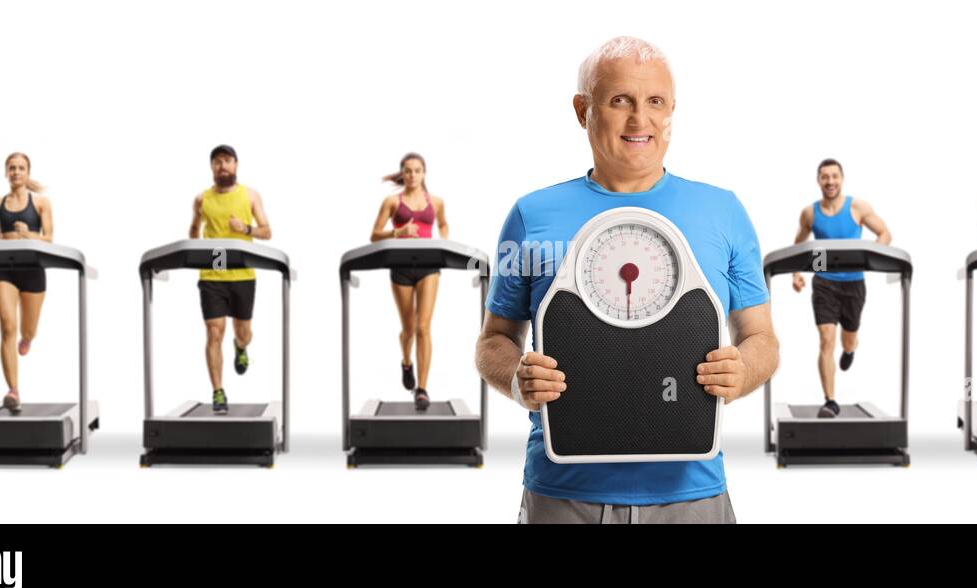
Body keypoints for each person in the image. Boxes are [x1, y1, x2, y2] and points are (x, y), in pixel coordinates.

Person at [475, 36, 779, 524]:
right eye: (620, 100)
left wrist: (742, 371)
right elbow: (493, 340)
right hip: (563, 493)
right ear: (583, 110)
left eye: (655, 102)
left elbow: (761, 338)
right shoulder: (531, 216)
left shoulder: (724, 212)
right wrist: (516, 378)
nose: (640, 119)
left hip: (692, 494)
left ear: (672, 110)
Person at [789, 159, 891, 418]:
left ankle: (850, 349)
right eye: (825, 177)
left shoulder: (858, 207)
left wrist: (872, 258)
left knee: (847, 339)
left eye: (834, 176)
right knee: (825, 340)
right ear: (818, 181)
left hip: (854, 284)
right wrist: (796, 272)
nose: (830, 181)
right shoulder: (810, 213)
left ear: (841, 179)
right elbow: (799, 243)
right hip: (824, 282)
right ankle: (830, 401)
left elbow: (885, 234)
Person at [188, 145, 273, 413]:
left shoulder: (250, 195)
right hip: (214, 268)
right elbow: (193, 230)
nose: (222, 166)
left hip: (243, 271)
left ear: (236, 165)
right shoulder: (202, 199)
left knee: (243, 332)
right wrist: (194, 239)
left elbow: (267, 231)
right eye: (216, 162)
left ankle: (240, 347)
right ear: (211, 168)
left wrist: (246, 228)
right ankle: (218, 391)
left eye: (226, 161)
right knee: (214, 332)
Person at [368, 153, 450, 410]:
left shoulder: (435, 202)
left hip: (429, 266)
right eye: (408, 170)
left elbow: (444, 224)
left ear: (424, 173)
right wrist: (398, 232)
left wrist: (443, 240)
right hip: (401, 266)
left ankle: (422, 389)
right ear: (402, 174)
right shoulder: (392, 202)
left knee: (424, 327)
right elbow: (374, 235)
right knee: (409, 328)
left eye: (417, 170)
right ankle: (406, 361)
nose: (412, 175)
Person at [0, 152, 54, 410]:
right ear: (6, 172)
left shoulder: (41, 203)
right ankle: (13, 391)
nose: (16, 172)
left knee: (27, 331)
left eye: (21, 168)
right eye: (12, 168)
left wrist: (31, 234)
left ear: (27, 173)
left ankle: (27, 340)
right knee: (6, 327)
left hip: (33, 270)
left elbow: (50, 238)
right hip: (4, 269)